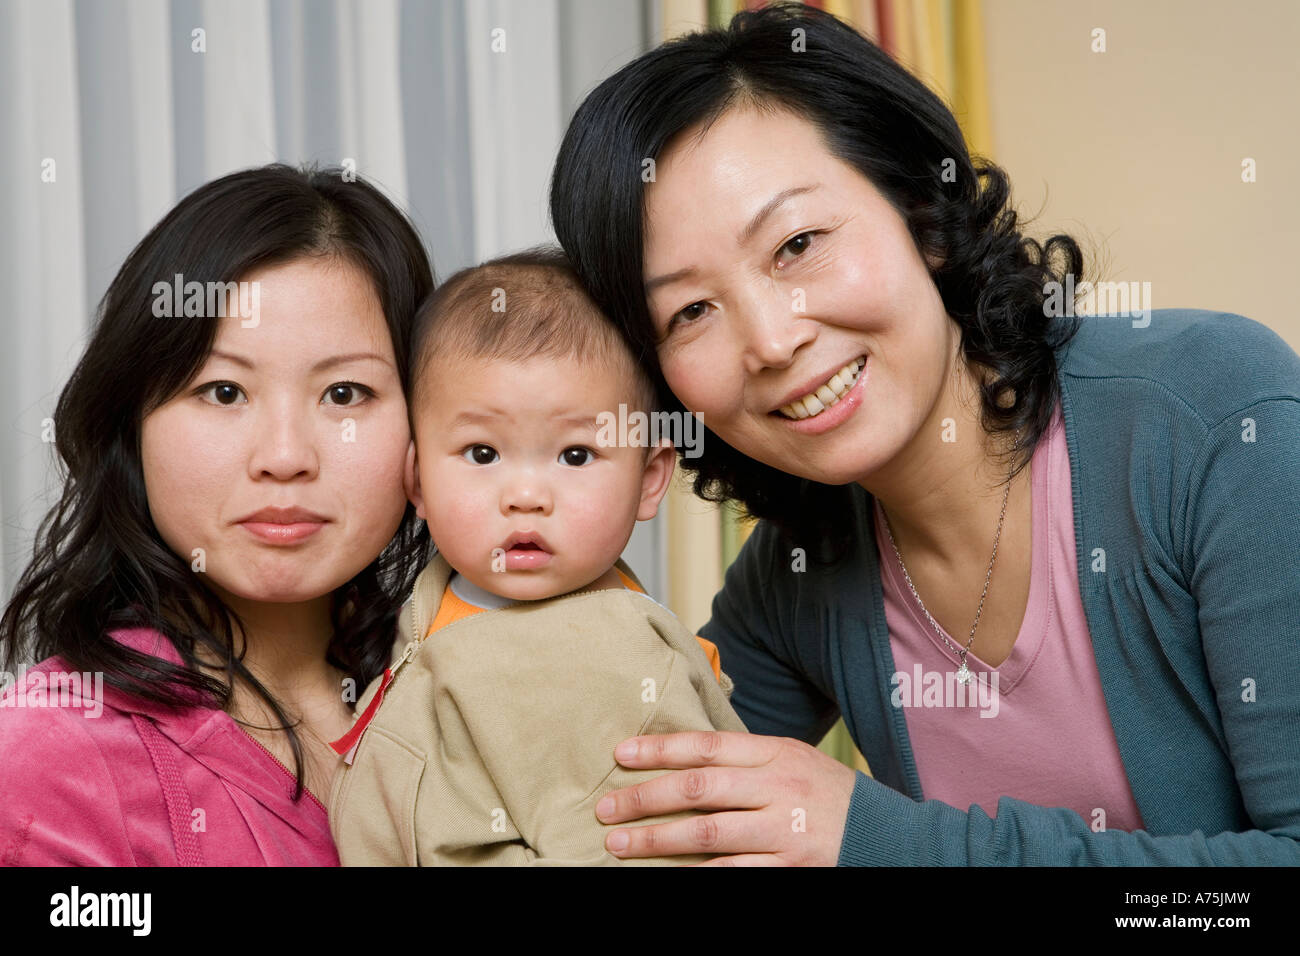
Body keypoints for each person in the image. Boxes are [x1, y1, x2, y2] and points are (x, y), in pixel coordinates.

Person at [547, 2, 1300, 864]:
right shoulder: (799, 580)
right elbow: (598, 812)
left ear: (921, 212)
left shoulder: (1210, 419)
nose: (771, 339)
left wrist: (878, 839)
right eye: (689, 311)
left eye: (797, 244)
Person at [0, 164, 435, 865]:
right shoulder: (51, 758)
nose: (286, 456)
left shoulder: (473, 692)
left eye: (346, 392)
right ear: (130, 423)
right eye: (224, 391)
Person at [327, 247, 747, 866]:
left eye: (575, 455)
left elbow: (653, 847)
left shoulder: (617, 664)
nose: (525, 497)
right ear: (417, 482)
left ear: (650, 477)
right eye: (482, 453)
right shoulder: (436, 595)